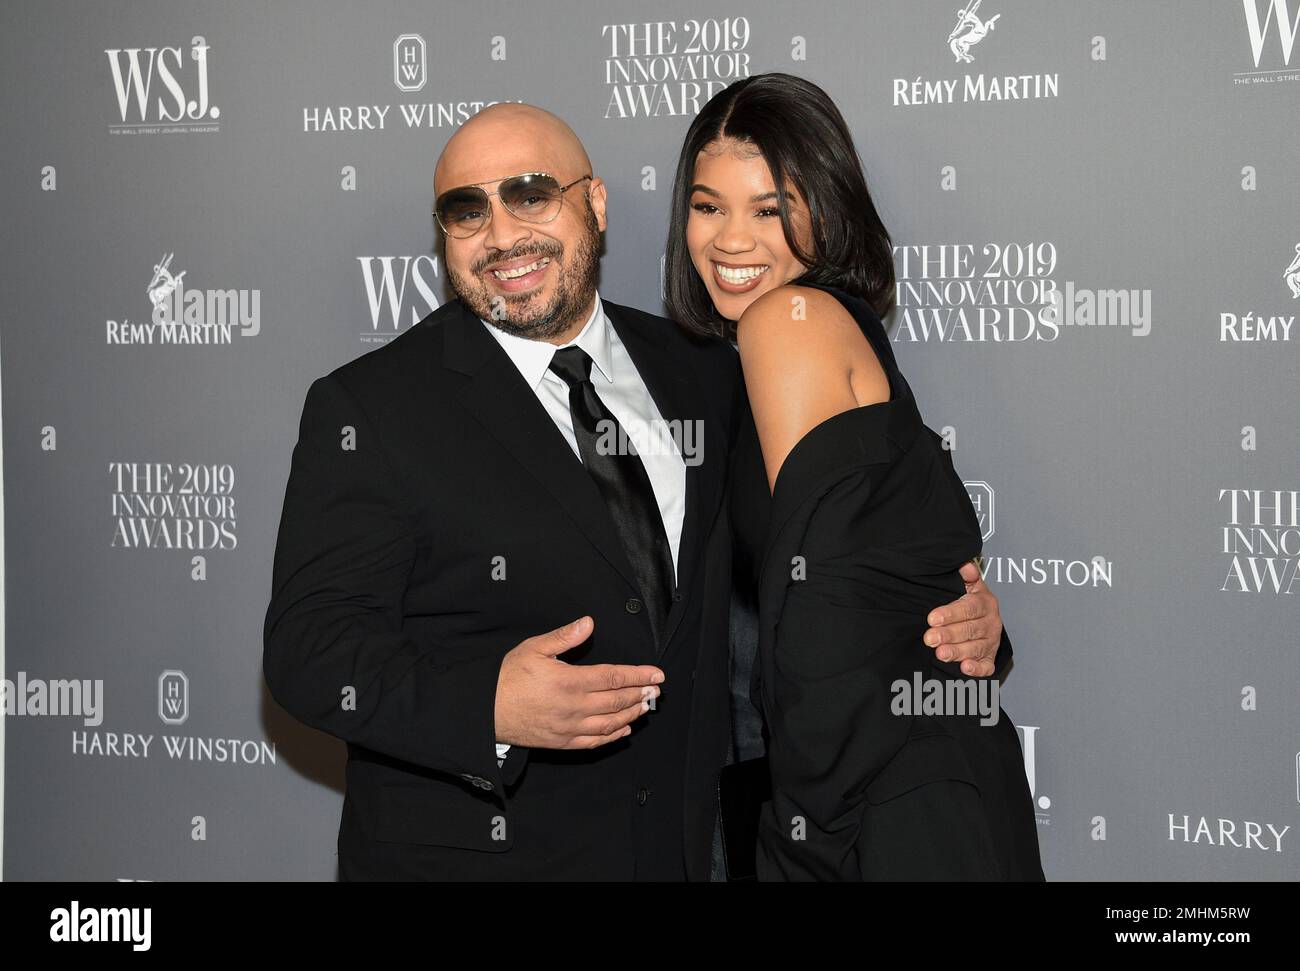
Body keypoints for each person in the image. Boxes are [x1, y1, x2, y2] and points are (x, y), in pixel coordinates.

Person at [262, 100, 1008, 880]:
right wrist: (488, 704)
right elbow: (308, 652)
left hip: (686, 852)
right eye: (466, 210)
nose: (502, 235)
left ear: (597, 203)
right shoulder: (373, 408)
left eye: (530, 194)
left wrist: (952, 617)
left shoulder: (707, 367)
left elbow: (826, 550)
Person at [665, 73, 1044, 880]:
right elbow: (890, 569)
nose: (731, 240)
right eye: (708, 206)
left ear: (827, 209)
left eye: (770, 208)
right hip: (915, 779)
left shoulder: (785, 324)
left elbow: (822, 627)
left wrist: (800, 844)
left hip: (871, 802)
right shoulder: (816, 333)